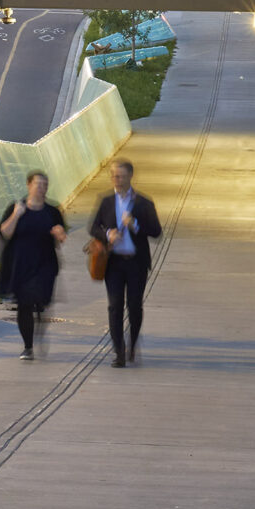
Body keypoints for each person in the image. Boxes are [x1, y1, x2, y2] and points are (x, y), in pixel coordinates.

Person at [90, 155, 162, 366]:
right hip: (113, 263)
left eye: (120, 176)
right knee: (114, 306)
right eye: (113, 176)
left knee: (134, 306)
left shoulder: (143, 203)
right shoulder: (106, 202)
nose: (116, 180)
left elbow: (157, 232)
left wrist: (135, 226)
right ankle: (119, 352)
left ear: (130, 176)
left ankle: (133, 343)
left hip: (136, 263)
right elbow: (93, 227)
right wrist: (107, 235)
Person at [0, 170, 67, 359]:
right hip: (21, 265)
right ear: (29, 185)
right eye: (38, 184)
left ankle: (40, 327)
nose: (42, 188)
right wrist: (16, 215)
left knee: (41, 300)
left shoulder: (52, 211)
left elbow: (61, 236)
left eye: (45, 185)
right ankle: (28, 346)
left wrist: (59, 233)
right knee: (25, 304)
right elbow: (4, 233)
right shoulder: (16, 207)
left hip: (45, 264)